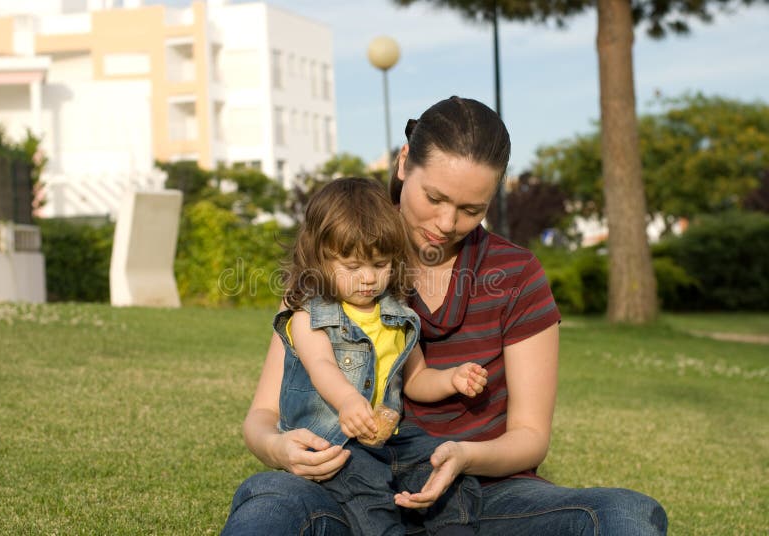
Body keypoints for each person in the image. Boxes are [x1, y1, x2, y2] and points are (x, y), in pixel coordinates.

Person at [220, 96, 668, 536]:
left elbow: (530, 436)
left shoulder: (517, 274)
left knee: (626, 515)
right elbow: (262, 415)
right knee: (270, 504)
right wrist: (279, 449)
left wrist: (464, 457)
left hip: (481, 497)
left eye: (471, 209)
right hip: (343, 486)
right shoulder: (332, 262)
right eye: (434, 197)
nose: (447, 222)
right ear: (403, 164)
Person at [273, 177, 488, 536]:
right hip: (332, 442)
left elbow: (416, 379)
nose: (369, 278)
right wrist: (346, 401)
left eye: (380, 264)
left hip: (388, 438)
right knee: (370, 496)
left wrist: (452, 378)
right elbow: (321, 366)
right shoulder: (309, 315)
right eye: (353, 266)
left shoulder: (398, 315)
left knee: (447, 472)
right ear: (319, 259)